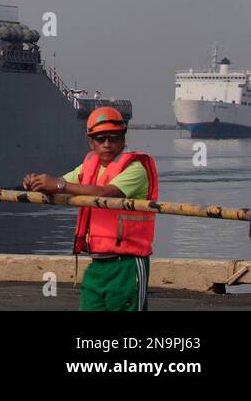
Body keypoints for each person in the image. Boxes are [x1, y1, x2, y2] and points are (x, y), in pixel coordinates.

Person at [23, 107, 158, 311]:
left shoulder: (136, 168)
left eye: (113, 138)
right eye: (100, 138)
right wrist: (36, 182)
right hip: (96, 264)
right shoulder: (89, 166)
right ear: (90, 142)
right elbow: (61, 182)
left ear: (123, 139)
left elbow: (106, 194)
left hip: (127, 265)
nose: (107, 144)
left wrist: (58, 185)